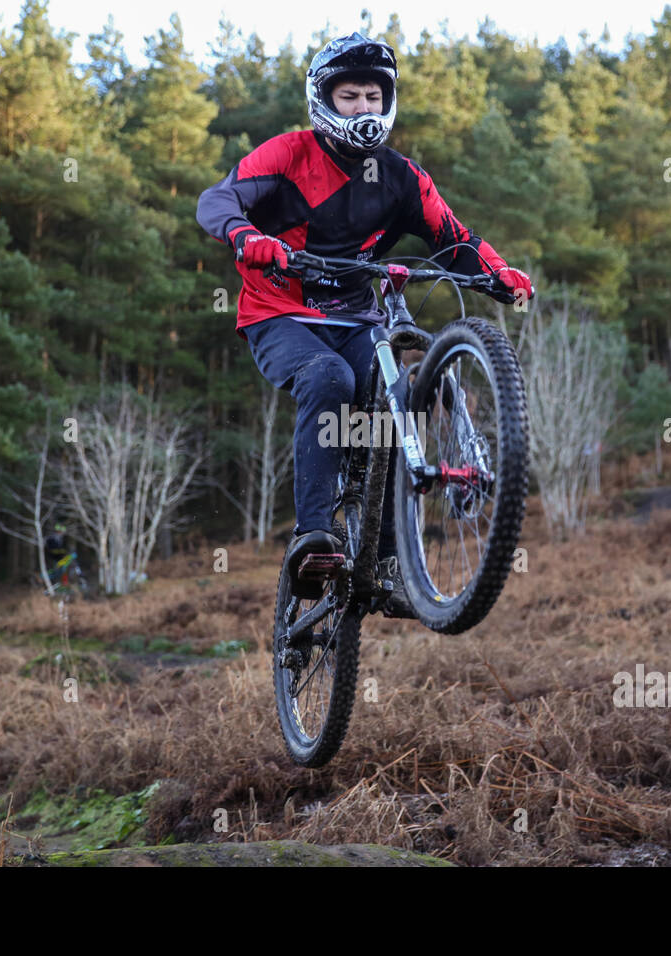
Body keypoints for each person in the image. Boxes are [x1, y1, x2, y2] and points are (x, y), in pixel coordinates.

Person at [196, 31, 533, 613]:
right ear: (324, 99)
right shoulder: (288, 155)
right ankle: (314, 538)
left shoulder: (401, 177)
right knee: (328, 379)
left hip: (356, 317)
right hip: (280, 313)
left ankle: (383, 562)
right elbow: (217, 200)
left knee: (390, 395)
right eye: (350, 96)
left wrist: (500, 274)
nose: (364, 109)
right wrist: (246, 236)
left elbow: (454, 240)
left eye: (374, 97)